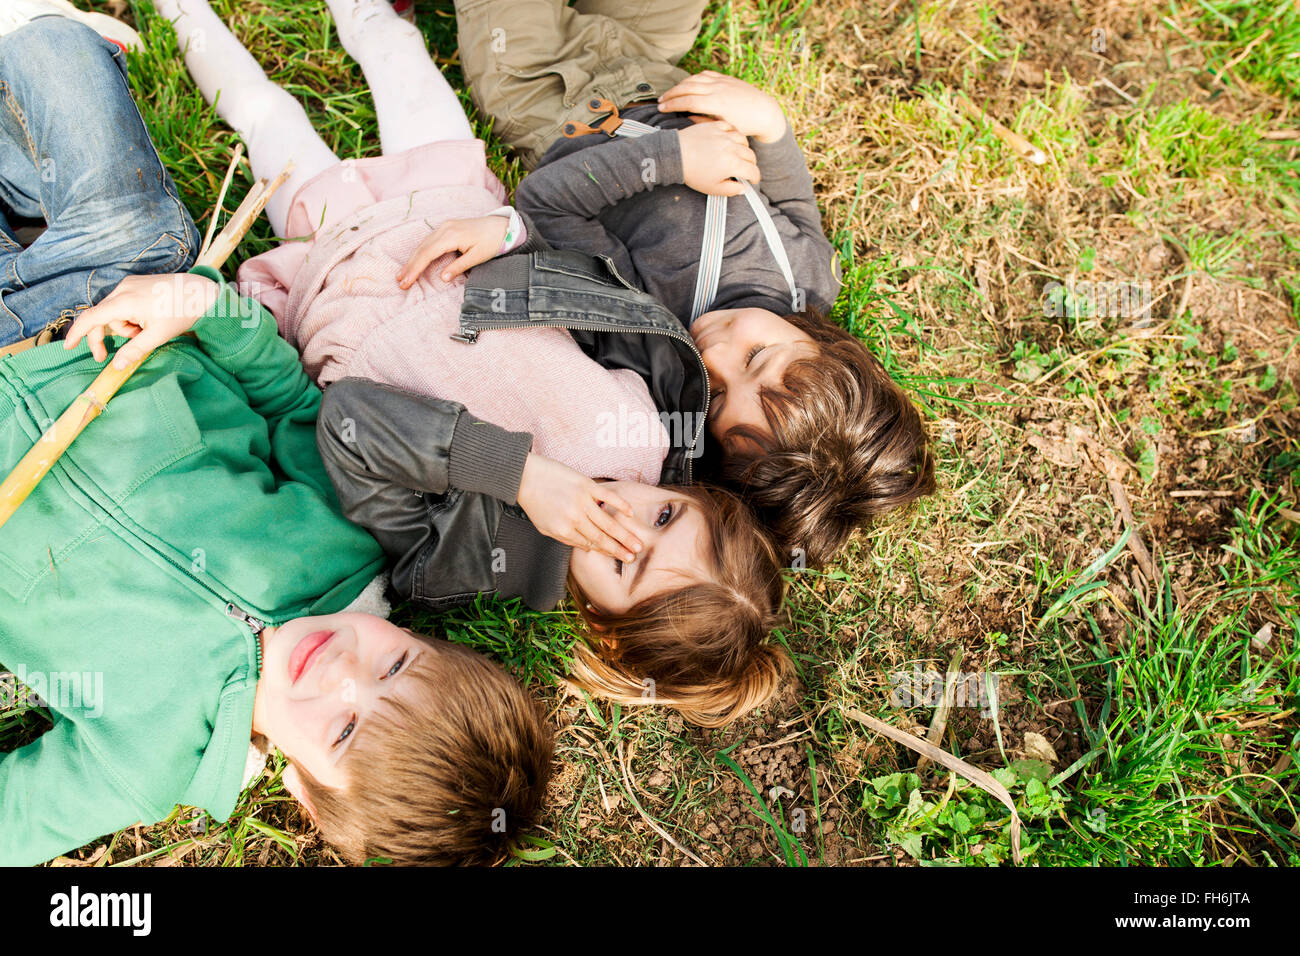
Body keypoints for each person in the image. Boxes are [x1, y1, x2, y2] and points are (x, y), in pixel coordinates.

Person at [155, 0, 792, 726]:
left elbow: (350, 423)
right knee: (394, 50)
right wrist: (512, 232)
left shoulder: (472, 565)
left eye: (626, 561)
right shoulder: (651, 430)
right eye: (669, 515)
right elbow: (596, 289)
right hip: (451, 212)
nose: (630, 517)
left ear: (604, 633)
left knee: (263, 112)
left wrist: (519, 474)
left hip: (337, 275)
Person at [454, 0, 936, 567]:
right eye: (756, 357)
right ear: (827, 343)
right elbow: (791, 203)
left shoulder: (648, 322)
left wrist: (671, 160)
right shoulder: (808, 283)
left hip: (552, 97)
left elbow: (547, 202)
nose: (717, 354)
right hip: (653, 66)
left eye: (721, 396)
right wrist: (769, 125)